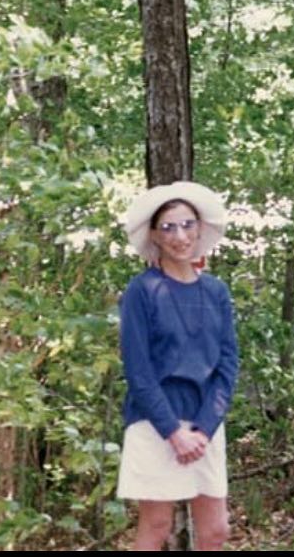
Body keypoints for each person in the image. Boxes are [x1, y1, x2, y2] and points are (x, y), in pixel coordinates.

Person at [116, 181, 239, 551]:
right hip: (156, 423)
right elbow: (138, 371)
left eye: (187, 225)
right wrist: (174, 432)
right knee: (156, 526)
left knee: (216, 530)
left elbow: (227, 364)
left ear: (200, 228)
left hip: (204, 424)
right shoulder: (142, 290)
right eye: (168, 227)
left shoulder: (216, 292)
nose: (179, 236)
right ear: (154, 235)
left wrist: (203, 428)